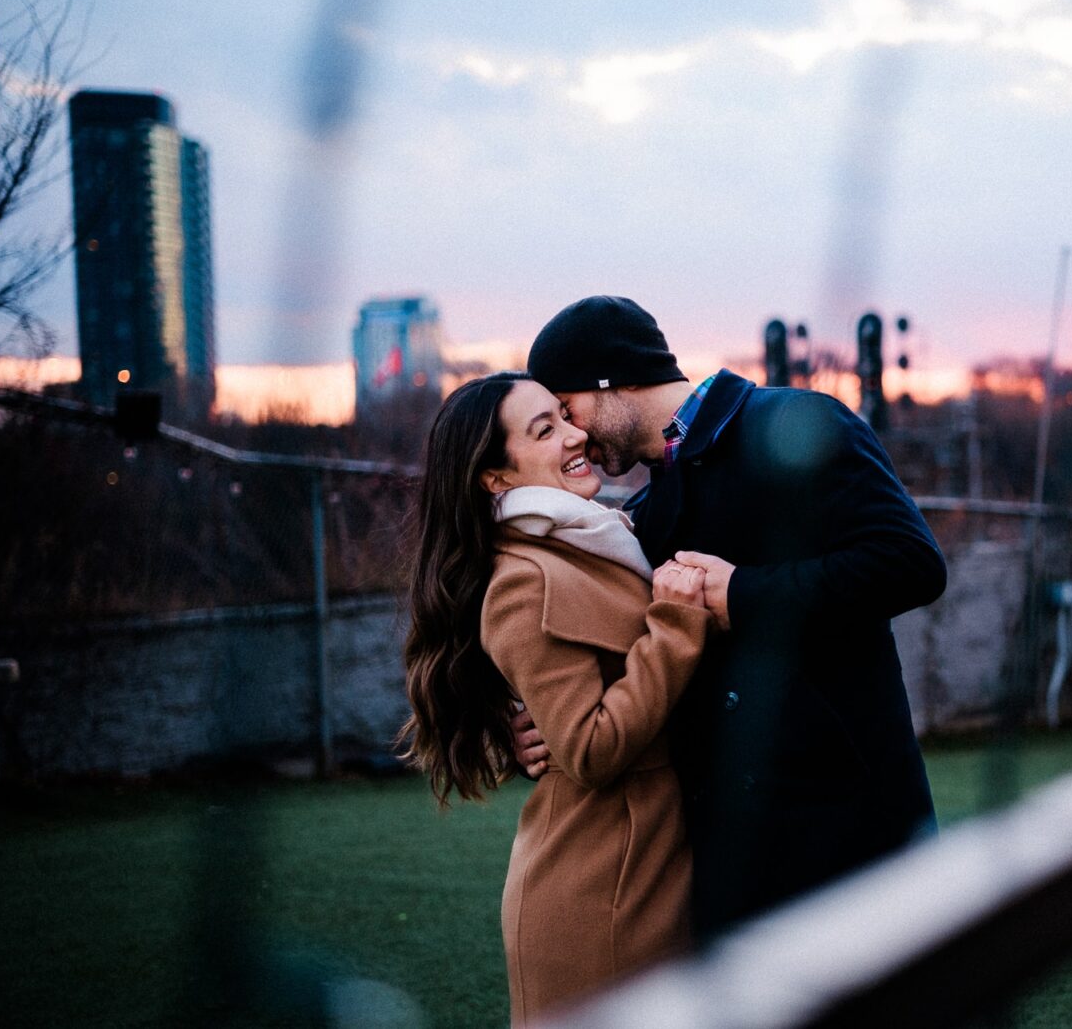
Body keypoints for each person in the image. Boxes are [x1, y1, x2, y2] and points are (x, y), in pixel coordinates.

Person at [518, 294, 948, 940]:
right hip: (725, 851)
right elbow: (651, 658)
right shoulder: (648, 512)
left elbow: (910, 562)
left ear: (616, 380)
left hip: (851, 832)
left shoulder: (798, 420)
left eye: (568, 409)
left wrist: (741, 594)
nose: (573, 435)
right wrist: (552, 723)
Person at [400, 371, 717, 1026]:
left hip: (644, 871)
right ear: (497, 479)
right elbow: (593, 750)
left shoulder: (593, 540)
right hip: (605, 897)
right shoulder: (527, 583)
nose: (577, 435)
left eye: (564, 417)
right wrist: (676, 622)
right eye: (545, 430)